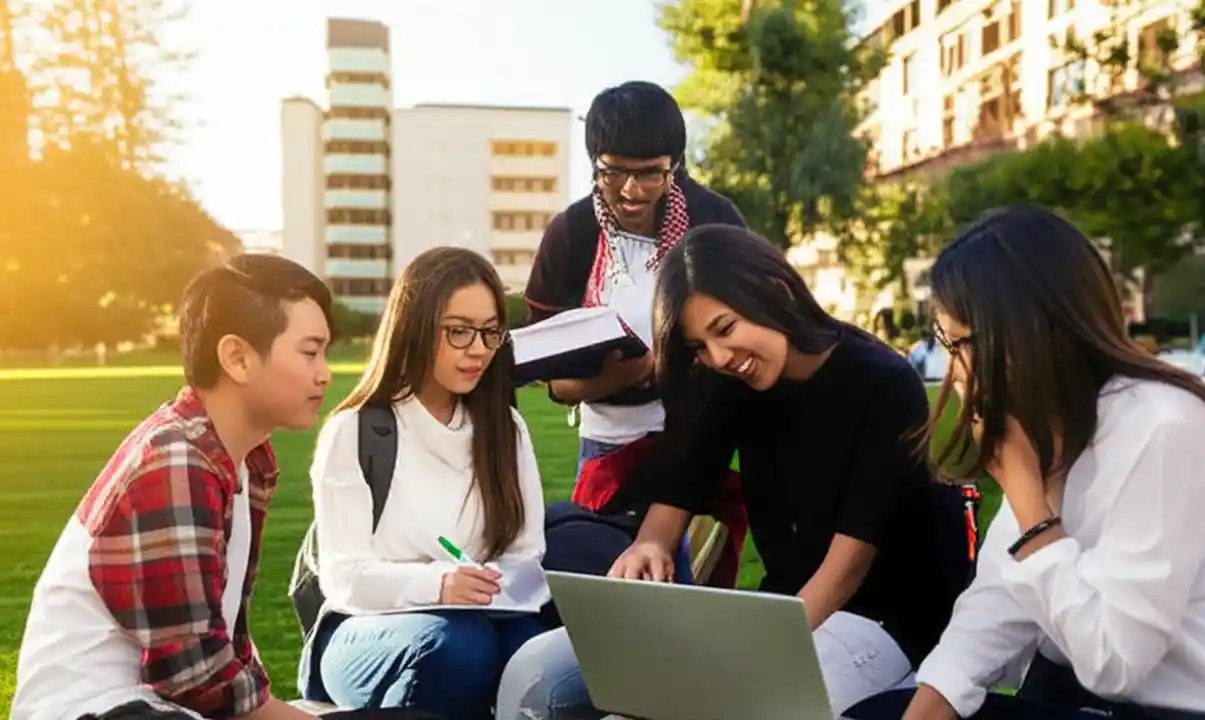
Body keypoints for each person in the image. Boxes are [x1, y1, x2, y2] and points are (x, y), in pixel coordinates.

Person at [497, 225, 968, 719]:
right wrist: (650, 546)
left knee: (696, 707)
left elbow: (848, 564)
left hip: (875, 623)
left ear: (774, 290)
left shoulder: (884, 385)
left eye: (724, 328)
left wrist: (746, 652)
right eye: (698, 346)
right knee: (535, 673)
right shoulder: (725, 379)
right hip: (772, 613)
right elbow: (679, 489)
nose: (719, 357)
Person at [853, 205, 1205, 720]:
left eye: (958, 344)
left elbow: (1115, 662)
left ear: (1026, 333)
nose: (956, 371)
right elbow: (994, 607)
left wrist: (1031, 506)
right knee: (879, 713)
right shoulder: (1051, 429)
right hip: (1102, 697)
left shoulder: (1164, 427)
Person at [13, 254, 335, 720]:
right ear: (237, 358)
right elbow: (194, 675)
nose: (324, 372)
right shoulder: (176, 460)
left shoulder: (246, 461)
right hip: (98, 708)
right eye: (310, 352)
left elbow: (224, 645)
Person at [299, 248, 550, 719]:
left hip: (486, 616)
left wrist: (489, 585)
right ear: (415, 326)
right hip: (367, 628)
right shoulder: (359, 429)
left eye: (490, 331)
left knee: (535, 651)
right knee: (459, 647)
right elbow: (345, 577)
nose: (477, 349)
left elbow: (525, 554)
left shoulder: (505, 429)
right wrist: (439, 584)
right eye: (458, 331)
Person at [523, 81, 751, 585]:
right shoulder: (573, 235)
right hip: (609, 440)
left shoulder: (714, 221)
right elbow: (553, 381)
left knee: (670, 578)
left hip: (698, 430)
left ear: (677, 164)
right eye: (614, 171)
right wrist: (616, 379)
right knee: (616, 578)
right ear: (593, 164)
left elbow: (755, 325)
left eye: (651, 173)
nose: (631, 190)